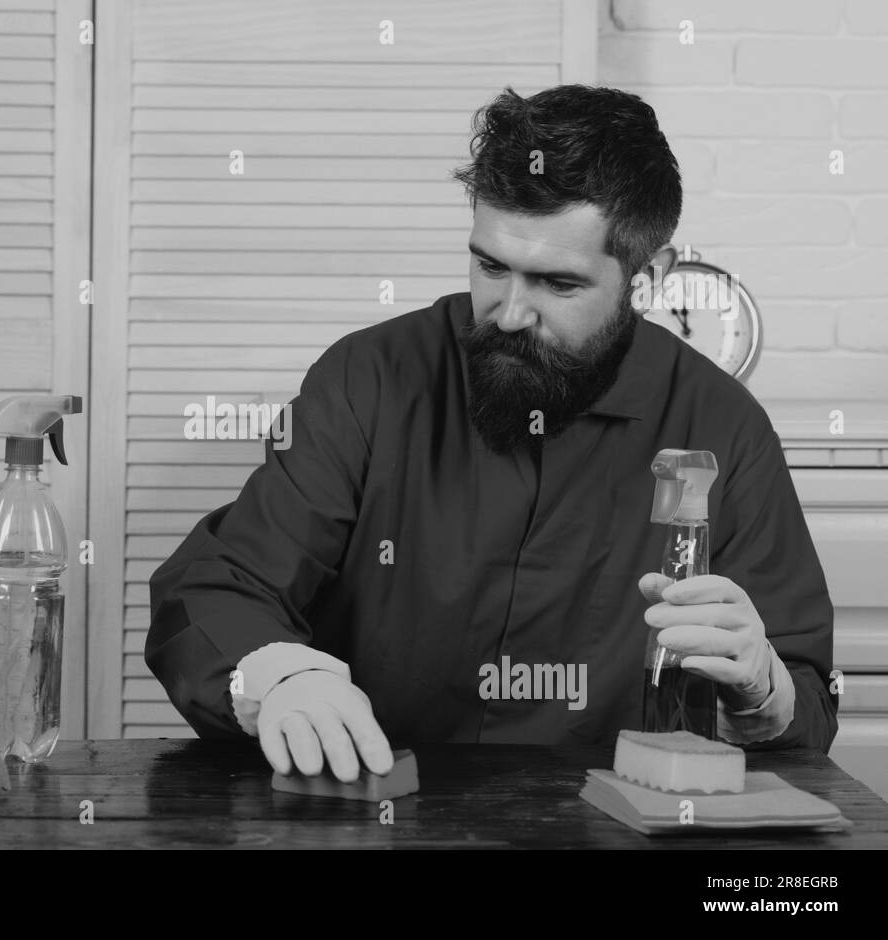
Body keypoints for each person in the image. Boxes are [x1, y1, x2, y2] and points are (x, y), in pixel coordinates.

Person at [146, 85, 838, 783]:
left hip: (610, 827)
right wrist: (280, 675)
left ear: (646, 279)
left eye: (556, 285)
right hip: (370, 815)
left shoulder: (724, 426)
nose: (509, 314)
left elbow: (809, 703)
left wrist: (766, 696)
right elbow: (218, 586)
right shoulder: (370, 379)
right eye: (491, 266)